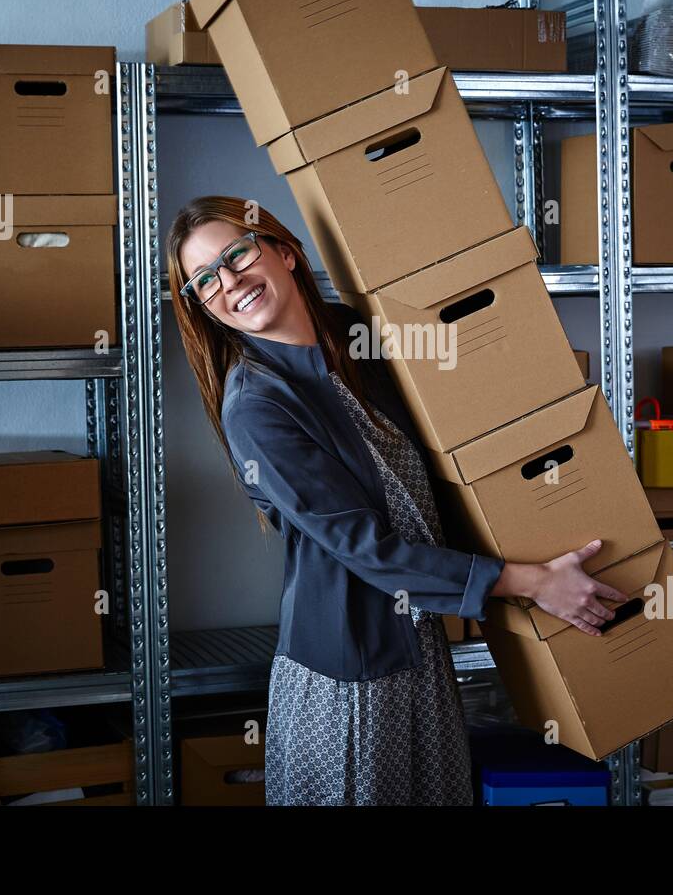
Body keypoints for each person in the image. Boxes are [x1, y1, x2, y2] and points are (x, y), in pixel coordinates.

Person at [167, 195, 624, 806]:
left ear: (283, 251)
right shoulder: (256, 404)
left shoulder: (356, 335)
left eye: (237, 254)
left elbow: (445, 458)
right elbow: (365, 548)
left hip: (421, 651)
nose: (229, 282)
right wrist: (533, 581)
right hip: (349, 675)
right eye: (205, 280)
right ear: (204, 308)